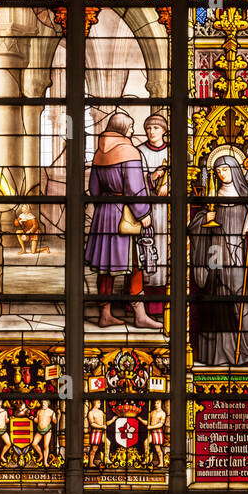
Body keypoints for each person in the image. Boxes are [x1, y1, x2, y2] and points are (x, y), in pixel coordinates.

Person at [85, 110, 162, 330]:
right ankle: (140, 315)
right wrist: (143, 213)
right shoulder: (129, 151)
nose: (132, 131)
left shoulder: (99, 153)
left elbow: (93, 189)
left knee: (105, 267)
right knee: (136, 263)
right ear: (121, 129)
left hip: (104, 216)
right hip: (125, 215)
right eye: (129, 127)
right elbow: (134, 187)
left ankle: (105, 314)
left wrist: (104, 207)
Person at [188, 154, 248, 366]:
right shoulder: (212, 197)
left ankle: (247, 354)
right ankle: (219, 355)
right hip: (215, 254)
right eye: (217, 171)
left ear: (234, 169)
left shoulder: (245, 196)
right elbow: (194, 225)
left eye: (224, 169)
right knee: (218, 299)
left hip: (240, 255)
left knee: (243, 300)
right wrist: (205, 219)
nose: (221, 174)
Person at [135, 113, 169, 316]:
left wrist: (168, 182)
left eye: (156, 128)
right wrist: (151, 177)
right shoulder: (139, 151)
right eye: (148, 128)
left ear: (164, 130)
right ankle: (145, 304)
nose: (151, 131)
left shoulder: (173, 150)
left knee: (164, 252)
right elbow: (134, 180)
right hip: (146, 209)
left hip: (167, 211)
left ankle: (163, 304)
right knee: (147, 252)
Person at [32, 398, 58, 467]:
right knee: (34, 443)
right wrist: (34, 419)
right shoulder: (39, 411)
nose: (43, 404)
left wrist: (58, 416)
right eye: (43, 402)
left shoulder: (51, 412)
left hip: (47, 430)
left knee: (46, 446)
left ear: (48, 404)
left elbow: (55, 421)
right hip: (39, 430)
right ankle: (41, 455)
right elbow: (37, 421)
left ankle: (45, 462)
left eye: (45, 403)